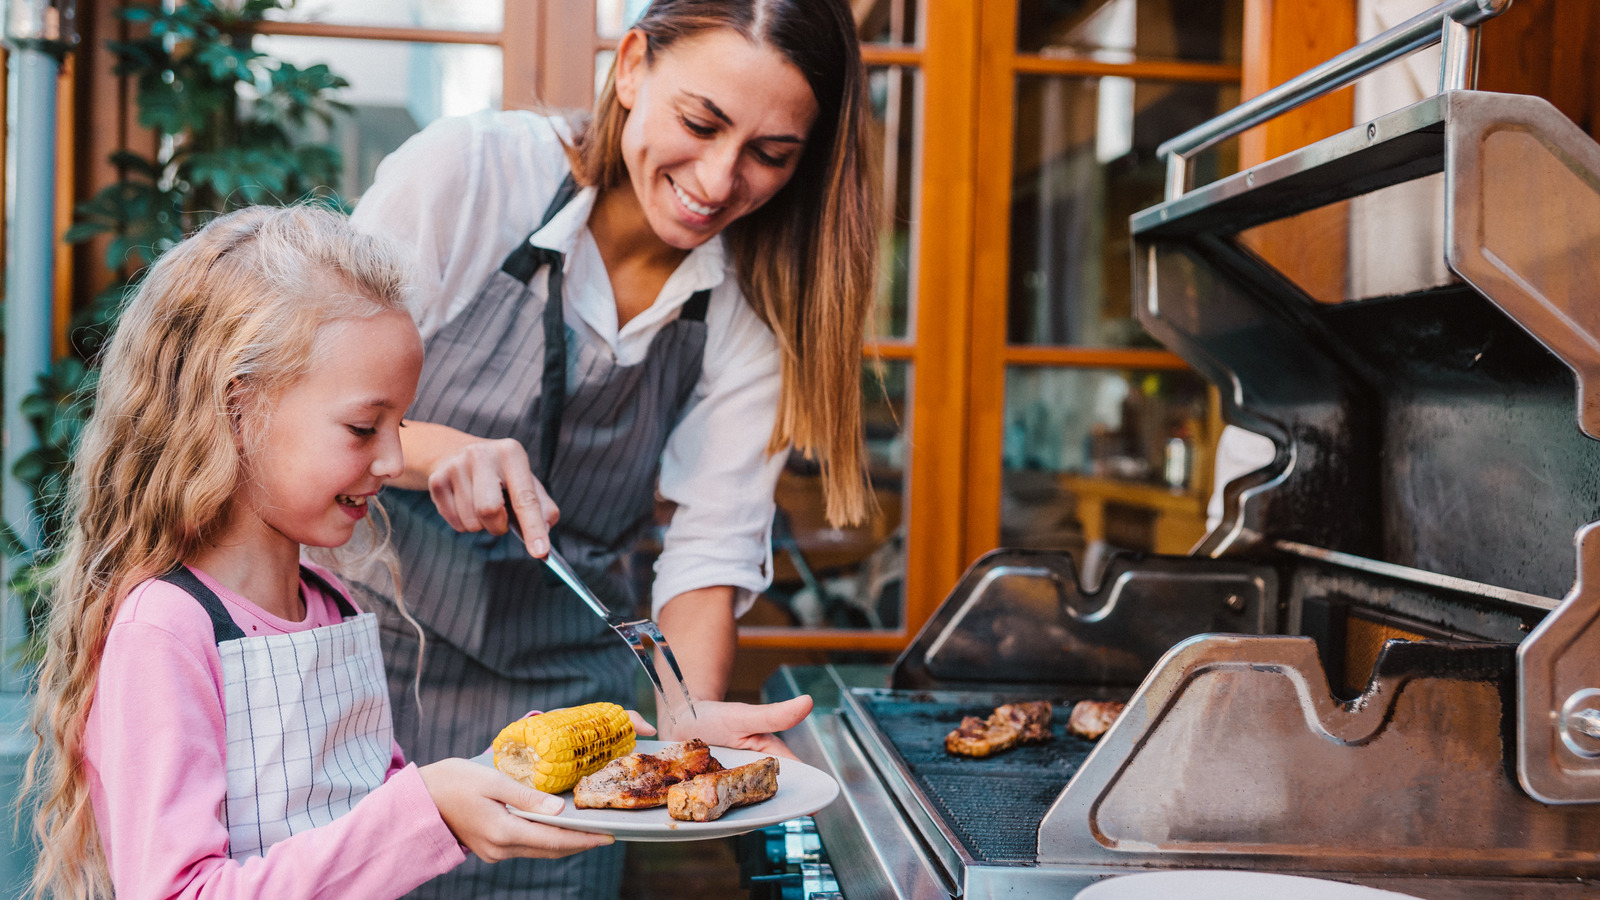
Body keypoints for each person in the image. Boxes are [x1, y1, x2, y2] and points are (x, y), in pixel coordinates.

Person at [348, 0, 874, 895]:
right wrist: (440, 453)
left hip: (570, 703)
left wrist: (686, 724)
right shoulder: (471, 176)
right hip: (373, 664)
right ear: (632, 67)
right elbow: (306, 407)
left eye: (769, 155)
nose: (718, 179)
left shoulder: (751, 309)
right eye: (701, 123)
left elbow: (707, 551)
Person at [24, 205, 634, 900]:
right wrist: (427, 808)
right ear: (238, 409)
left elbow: (366, 812)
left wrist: (502, 770)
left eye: (399, 424)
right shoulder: (166, 629)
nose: (396, 459)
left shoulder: (328, 601)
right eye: (364, 426)